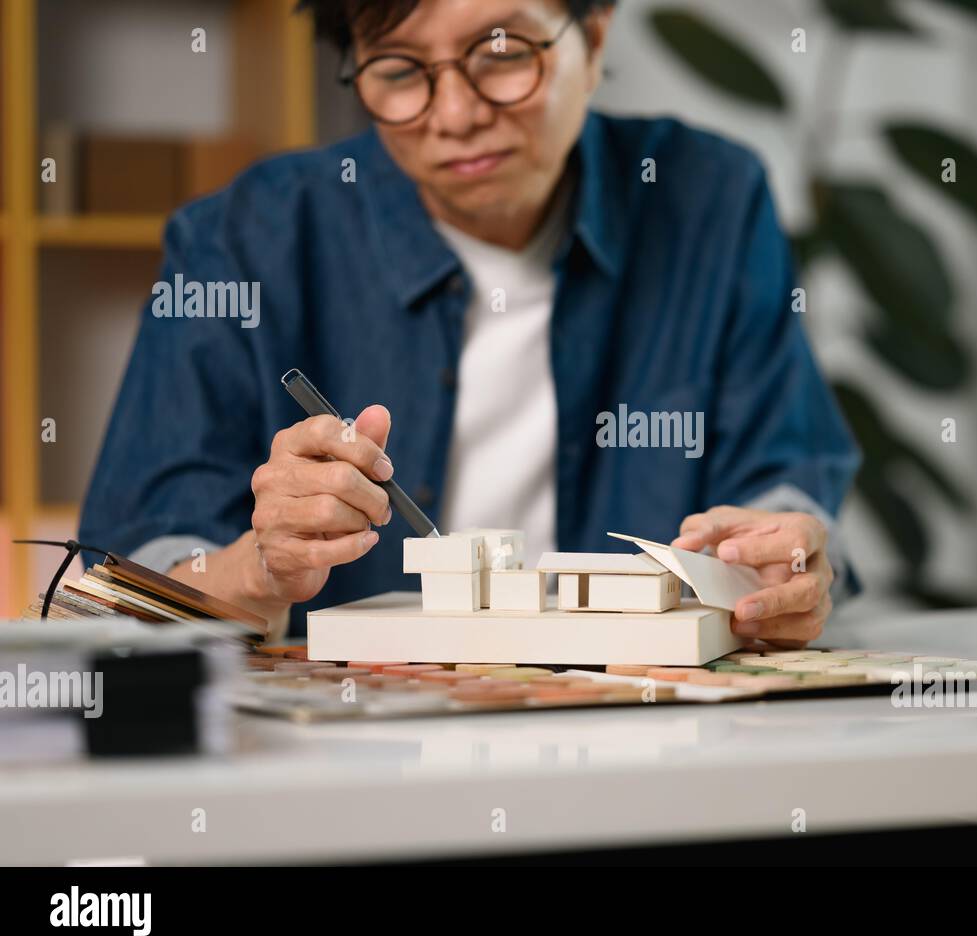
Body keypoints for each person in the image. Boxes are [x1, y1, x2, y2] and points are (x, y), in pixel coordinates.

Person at [79, 0, 860, 640]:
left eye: (502, 53)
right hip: (348, 769)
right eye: (397, 71)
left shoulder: (709, 202)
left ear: (592, 39)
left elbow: (783, 480)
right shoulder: (243, 239)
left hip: (652, 747)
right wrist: (258, 570)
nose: (453, 115)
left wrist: (781, 559)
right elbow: (125, 588)